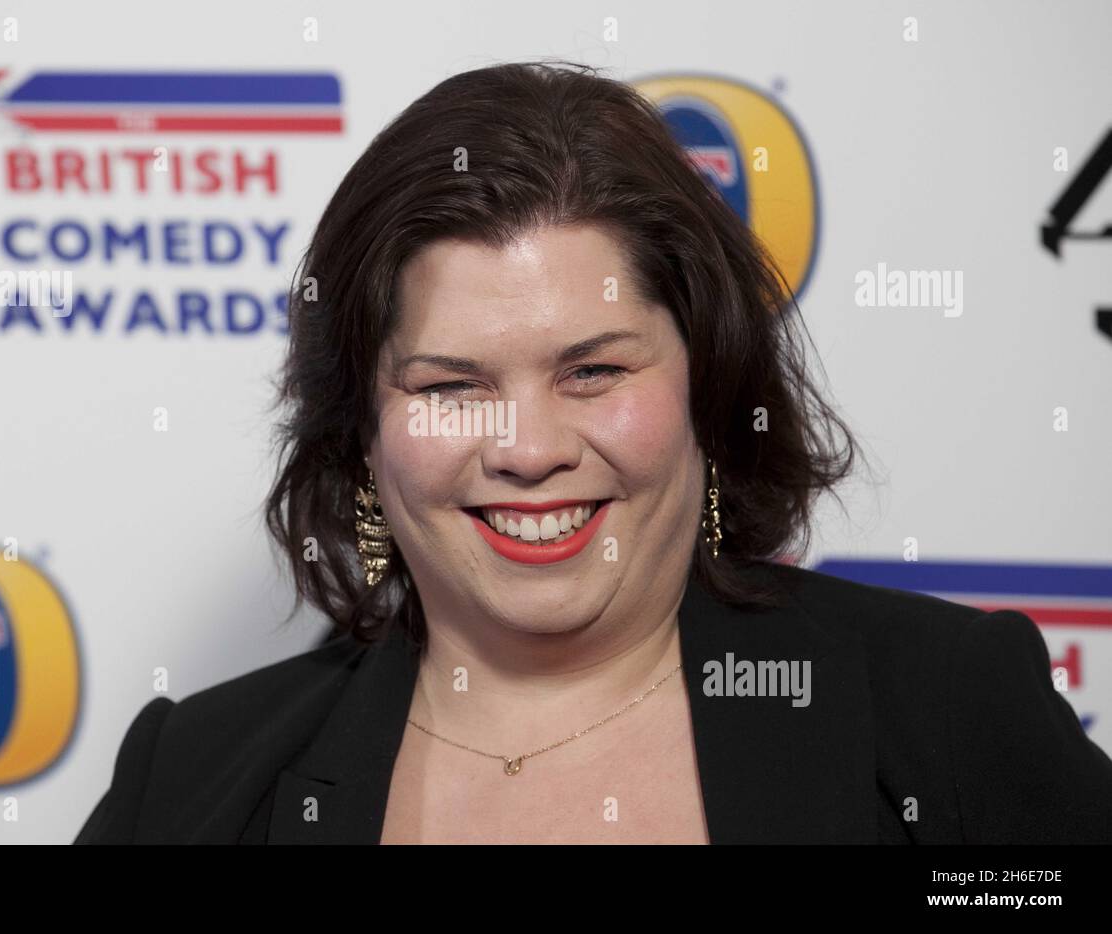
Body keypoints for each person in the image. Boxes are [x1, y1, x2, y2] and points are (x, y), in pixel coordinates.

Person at [74, 60, 1112, 844]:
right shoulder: (192, 780)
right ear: (361, 435)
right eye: (450, 386)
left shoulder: (943, 710)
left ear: (708, 384)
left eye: (593, 372)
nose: (527, 450)